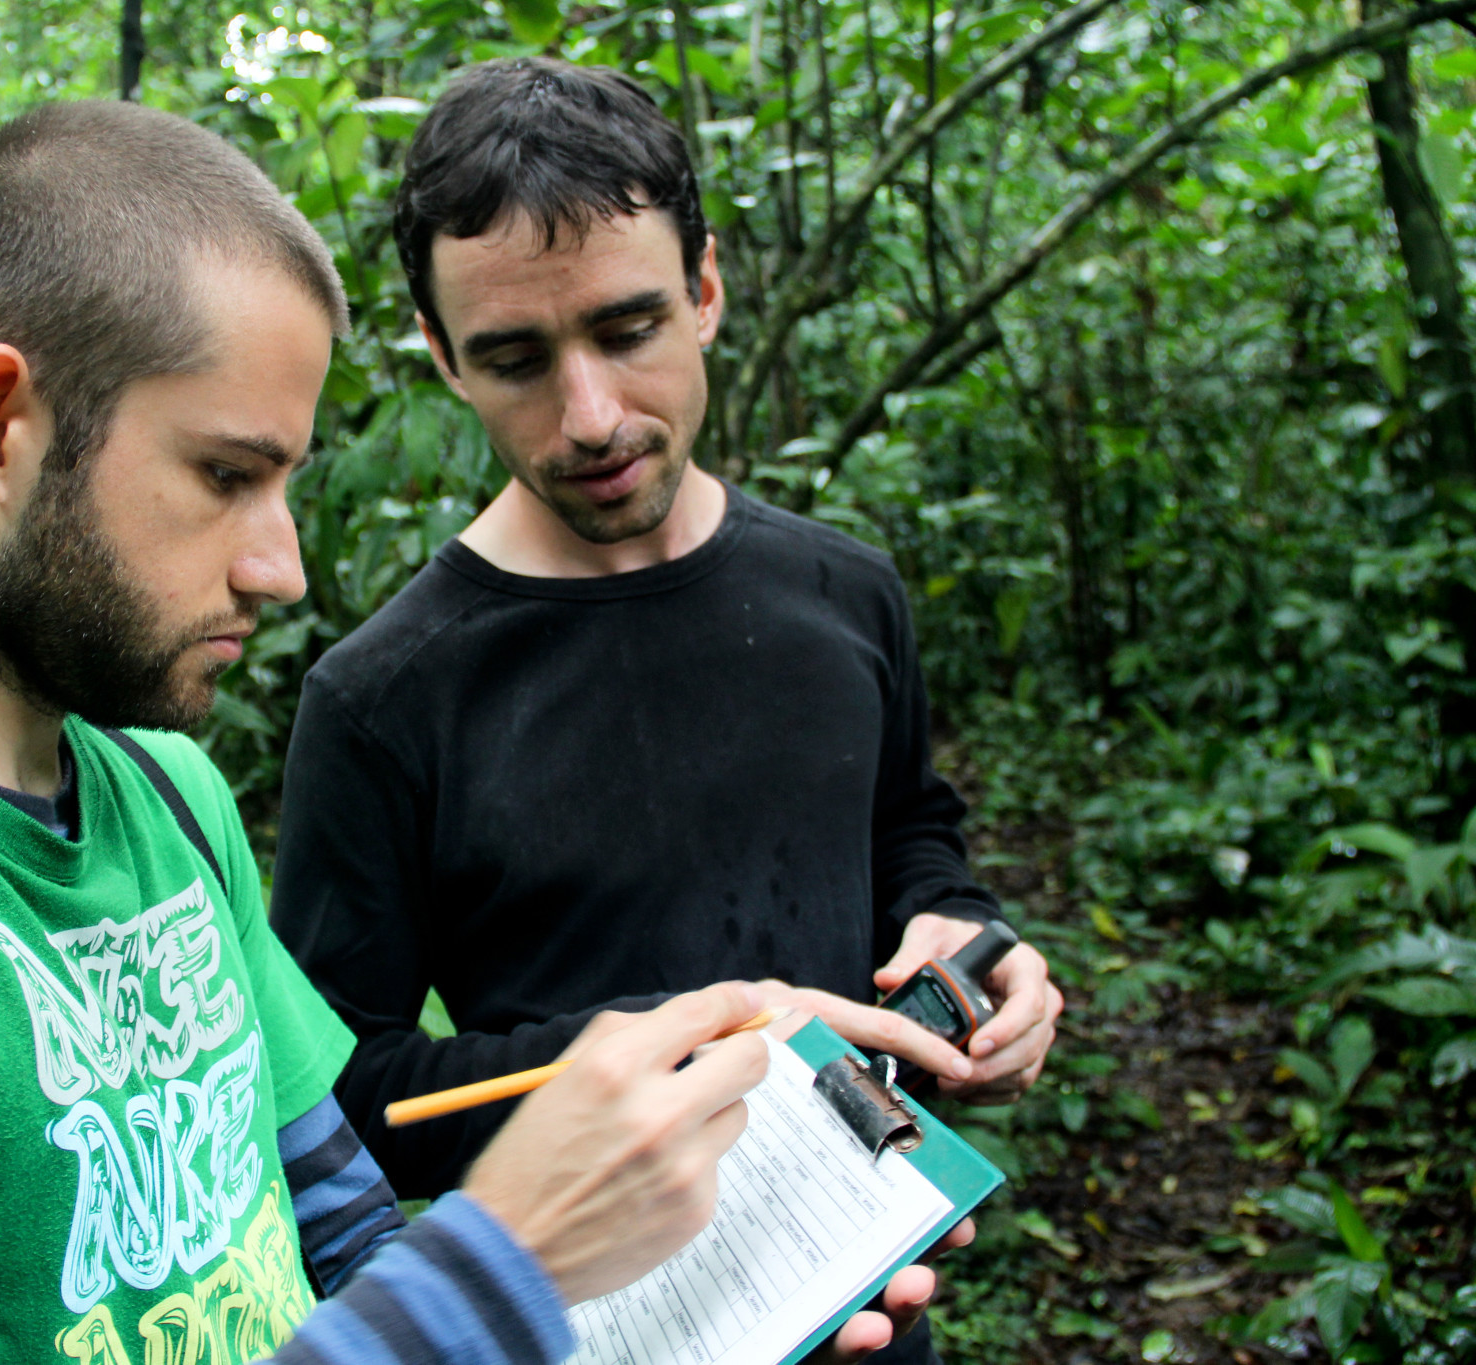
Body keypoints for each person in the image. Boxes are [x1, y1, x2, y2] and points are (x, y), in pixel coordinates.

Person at [0, 100, 941, 1365]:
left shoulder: (166, 795)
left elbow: (343, 1237)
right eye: (227, 474)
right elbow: (446, 1291)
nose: (283, 568)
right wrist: (504, 1265)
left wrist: (685, 1308)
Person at [270, 59, 1063, 1362]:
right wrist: (684, 1058)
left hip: (869, 1292)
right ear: (441, 354)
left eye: (628, 328)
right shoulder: (383, 697)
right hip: (602, 1328)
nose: (589, 416)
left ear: (705, 286)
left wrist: (973, 946)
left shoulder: (845, 596)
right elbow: (341, 1101)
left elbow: (914, 837)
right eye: (516, 358)